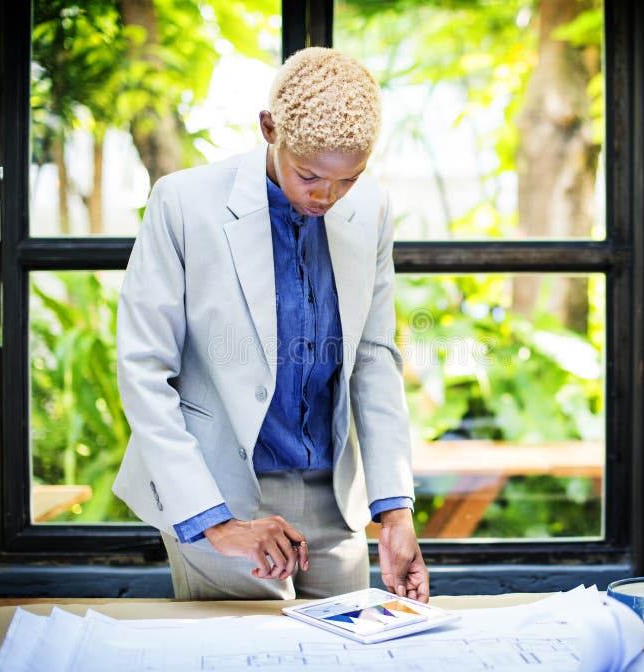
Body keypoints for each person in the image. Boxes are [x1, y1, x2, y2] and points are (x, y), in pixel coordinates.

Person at [112, 47, 428, 602]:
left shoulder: (372, 208)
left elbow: (375, 361)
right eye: (309, 175)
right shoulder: (182, 204)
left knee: (343, 656)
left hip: (335, 503)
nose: (326, 197)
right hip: (221, 494)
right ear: (268, 128)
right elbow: (143, 371)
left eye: (348, 179)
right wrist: (217, 524)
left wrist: (396, 512)